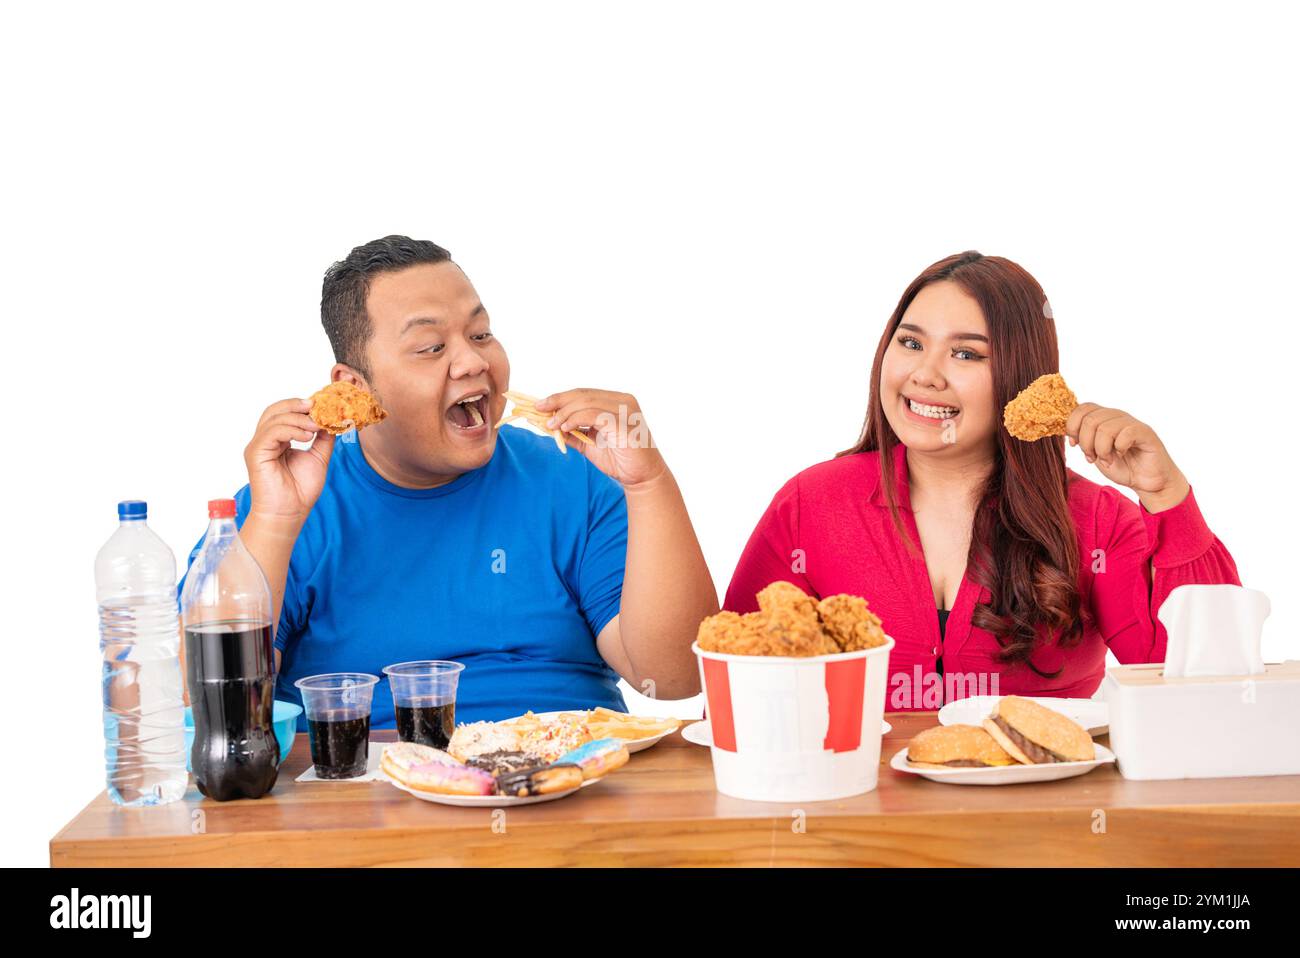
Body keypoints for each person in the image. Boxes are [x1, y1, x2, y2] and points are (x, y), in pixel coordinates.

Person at [180, 235, 716, 728]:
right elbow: (209, 707)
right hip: (368, 796)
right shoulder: (284, 508)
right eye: (431, 348)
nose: (472, 361)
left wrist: (649, 484)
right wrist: (276, 522)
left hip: (571, 776)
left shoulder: (575, 478)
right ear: (355, 388)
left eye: (480, 334)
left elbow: (673, 680)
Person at [724, 251, 1240, 709]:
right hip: (858, 805)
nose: (926, 374)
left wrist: (1165, 496)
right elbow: (737, 680)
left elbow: (1207, 693)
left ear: (1023, 377)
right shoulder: (810, 503)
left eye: (966, 353)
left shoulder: (1098, 521)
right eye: (910, 343)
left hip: (1041, 809)